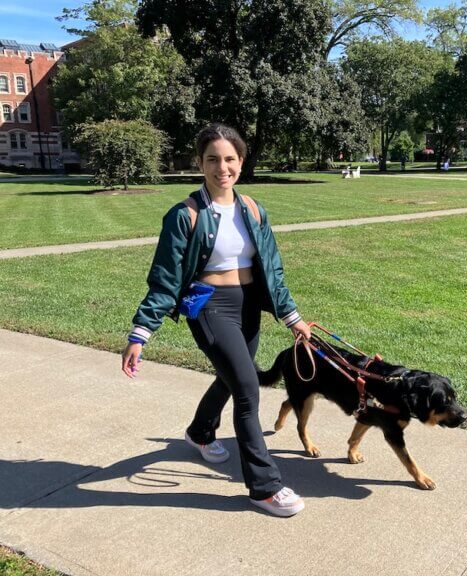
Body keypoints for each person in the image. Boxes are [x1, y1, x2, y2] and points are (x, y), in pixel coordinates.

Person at [121, 123, 311, 517]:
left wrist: (293, 317)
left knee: (232, 378)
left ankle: (199, 432)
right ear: (200, 163)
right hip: (209, 307)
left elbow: (272, 270)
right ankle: (263, 487)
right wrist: (141, 332)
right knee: (247, 391)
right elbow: (165, 278)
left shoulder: (254, 209)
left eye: (229, 159)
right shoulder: (185, 215)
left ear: (240, 162)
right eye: (212, 160)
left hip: (247, 306)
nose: (221, 167)